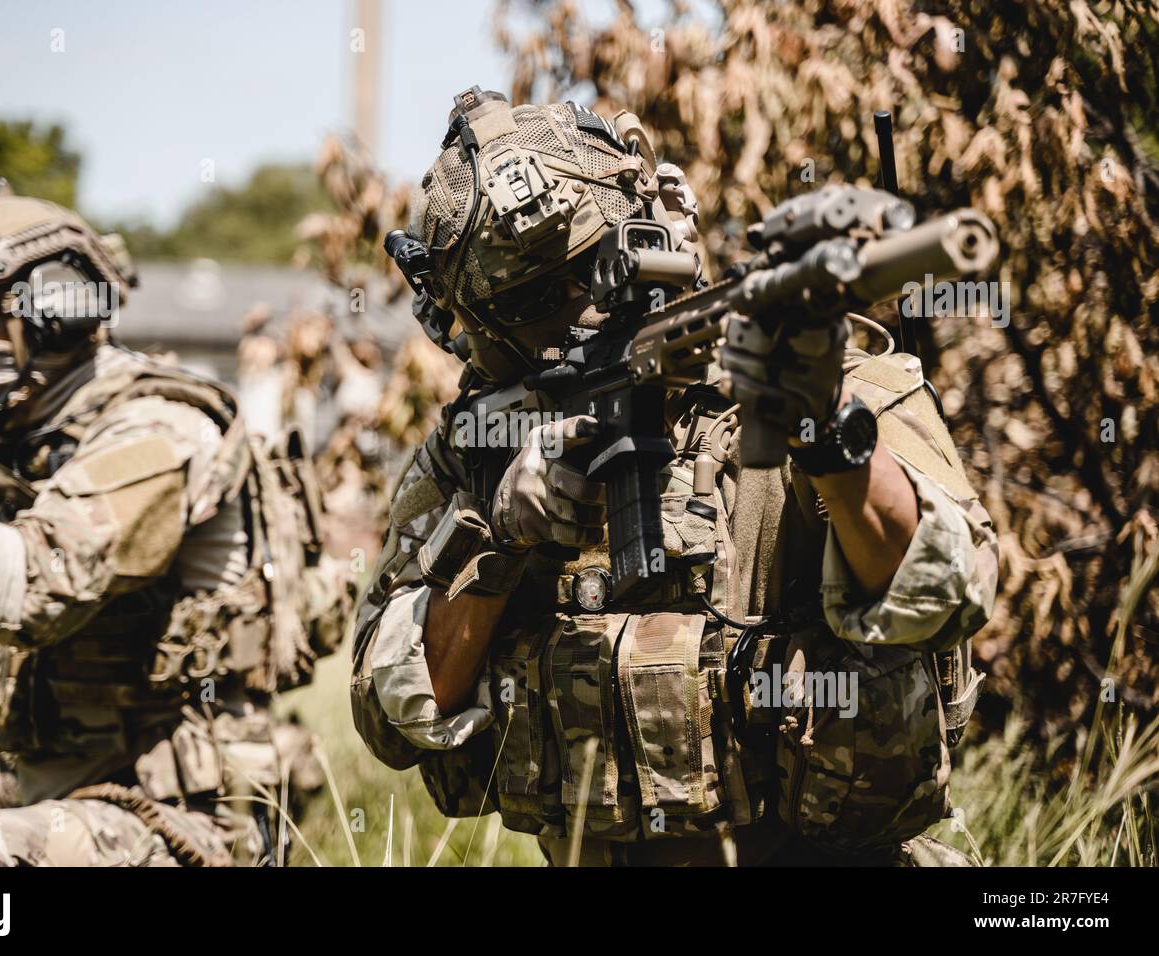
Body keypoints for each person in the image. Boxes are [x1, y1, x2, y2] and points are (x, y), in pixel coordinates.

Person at [350, 88, 998, 866]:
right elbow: (391, 720)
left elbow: (956, 591)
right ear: (482, 326)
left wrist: (826, 431)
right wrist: (498, 541)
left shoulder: (829, 378)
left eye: (594, 267)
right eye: (533, 301)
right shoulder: (479, 449)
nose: (583, 309)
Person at [0, 178, 351, 866]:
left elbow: (35, 584)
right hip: (40, 775)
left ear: (55, 306)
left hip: (185, 807)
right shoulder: (17, 443)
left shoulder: (157, 427)